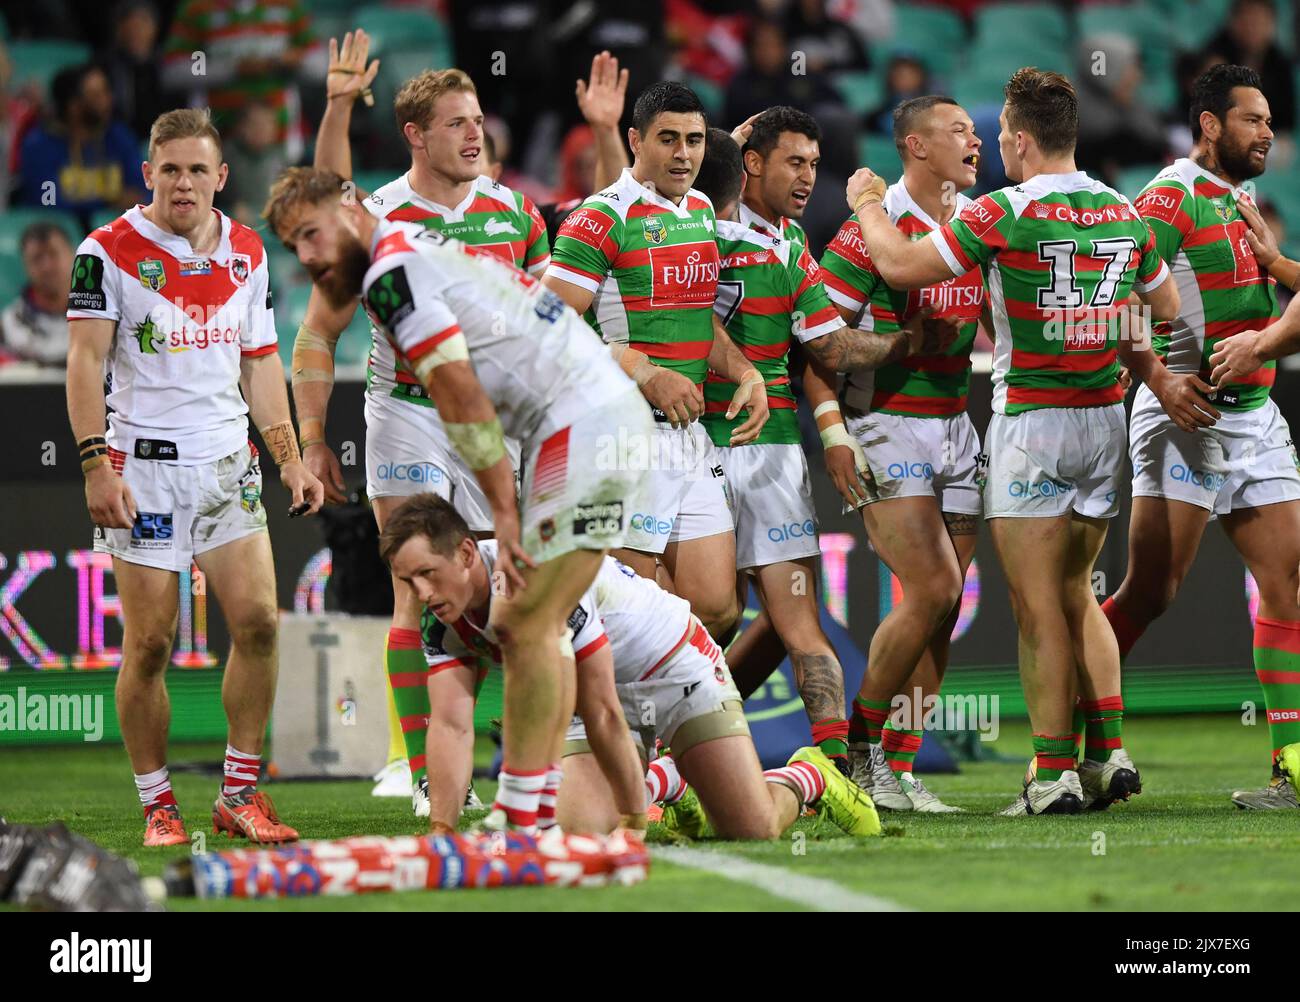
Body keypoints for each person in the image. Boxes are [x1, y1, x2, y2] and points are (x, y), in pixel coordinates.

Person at [263, 164, 655, 835]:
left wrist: (504, 518)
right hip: (579, 419)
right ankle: (564, 806)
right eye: (293, 246)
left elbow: (462, 397)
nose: (305, 257)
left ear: (352, 209)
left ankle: (522, 813)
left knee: (528, 620)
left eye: (310, 235)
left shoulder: (392, 276)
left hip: (587, 424)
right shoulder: (401, 253)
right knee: (531, 620)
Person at [845, 67, 1181, 816]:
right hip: (1106, 419)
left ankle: (1053, 773)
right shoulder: (1123, 210)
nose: (993, 144)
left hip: (1033, 422)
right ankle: (1111, 753)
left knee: (1036, 608)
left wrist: (868, 202)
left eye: (998, 134)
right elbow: (1162, 305)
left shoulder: (1003, 213)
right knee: (1077, 593)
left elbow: (898, 263)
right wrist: (1095, 327)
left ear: (1022, 140)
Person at [65, 108, 324, 848]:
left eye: (196, 169)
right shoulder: (105, 251)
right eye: (169, 169)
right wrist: (93, 465)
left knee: (261, 624)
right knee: (150, 644)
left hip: (226, 468)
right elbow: (84, 363)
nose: (183, 182)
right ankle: (158, 807)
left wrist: (289, 458)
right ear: (148, 174)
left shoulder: (247, 250)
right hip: (141, 473)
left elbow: (261, 361)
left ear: (221, 176)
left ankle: (238, 794)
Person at [380, 492, 881, 840]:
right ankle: (670, 777)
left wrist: (634, 820)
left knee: (754, 828)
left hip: (675, 666)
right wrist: (442, 831)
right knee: (582, 832)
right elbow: (449, 725)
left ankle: (809, 776)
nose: (421, 593)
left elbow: (601, 710)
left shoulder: (538, 583)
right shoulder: (439, 623)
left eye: (428, 573)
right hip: (598, 687)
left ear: (467, 553)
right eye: (408, 581)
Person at [1104, 64, 1300, 810]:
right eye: (1252, 119)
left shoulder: (1242, 202)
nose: (1268, 132)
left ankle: (1289, 765)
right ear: (1212, 125)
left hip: (1254, 417)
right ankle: (1073, 742)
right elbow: (1116, 292)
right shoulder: (1170, 197)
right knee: (1153, 590)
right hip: (1186, 414)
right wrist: (1157, 380)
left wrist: (1275, 270)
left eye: (1272, 121)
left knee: (1287, 586)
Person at [543, 81, 770, 646]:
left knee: (718, 607)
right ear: (635, 140)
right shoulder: (598, 218)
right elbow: (543, 325)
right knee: (628, 611)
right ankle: (591, 724)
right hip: (622, 436)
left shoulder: (697, 210)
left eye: (694, 140)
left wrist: (745, 371)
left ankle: (622, 710)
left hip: (687, 434)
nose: (683, 154)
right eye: (667, 139)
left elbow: (699, 319)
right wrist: (643, 372)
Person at [810, 95, 985, 812]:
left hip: (956, 426)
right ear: (915, 146)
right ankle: (858, 750)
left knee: (940, 609)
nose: (975, 141)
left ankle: (899, 771)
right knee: (937, 587)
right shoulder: (864, 238)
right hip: (886, 425)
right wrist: (832, 430)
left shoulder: (980, 224)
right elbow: (815, 344)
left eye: (977, 130)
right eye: (958, 132)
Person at [161, 0, 322, 161]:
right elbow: (173, 70)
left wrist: (295, 60)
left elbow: (321, 65)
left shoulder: (288, 5)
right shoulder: (197, 8)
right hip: (216, 139)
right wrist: (232, 68)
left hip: (279, 141)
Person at [17, 63, 144, 230]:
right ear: (74, 106)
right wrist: (108, 202)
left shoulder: (119, 137)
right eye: (95, 95)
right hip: (59, 238)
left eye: (106, 91)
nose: (107, 100)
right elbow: (48, 204)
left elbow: (141, 192)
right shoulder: (40, 147)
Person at [1, 223, 74, 367]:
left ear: (73, 255)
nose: (46, 266)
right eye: (37, 258)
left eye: (53, 254)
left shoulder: (101, 313)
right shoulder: (9, 324)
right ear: (25, 264)